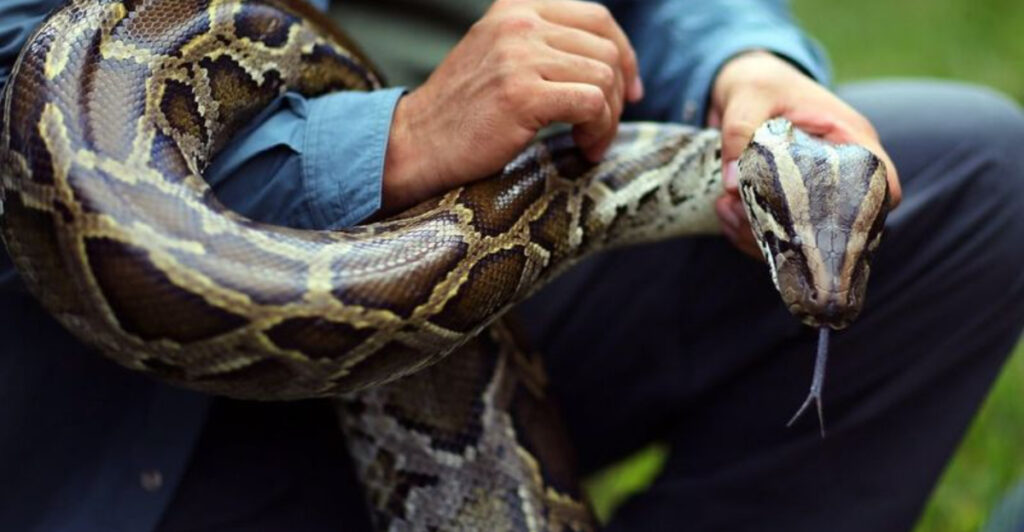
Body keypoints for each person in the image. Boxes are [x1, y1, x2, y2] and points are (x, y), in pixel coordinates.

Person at [0, 0, 1021, 530]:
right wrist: (397, 139)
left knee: (972, 172)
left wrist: (742, 61)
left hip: (483, 262)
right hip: (129, 415)